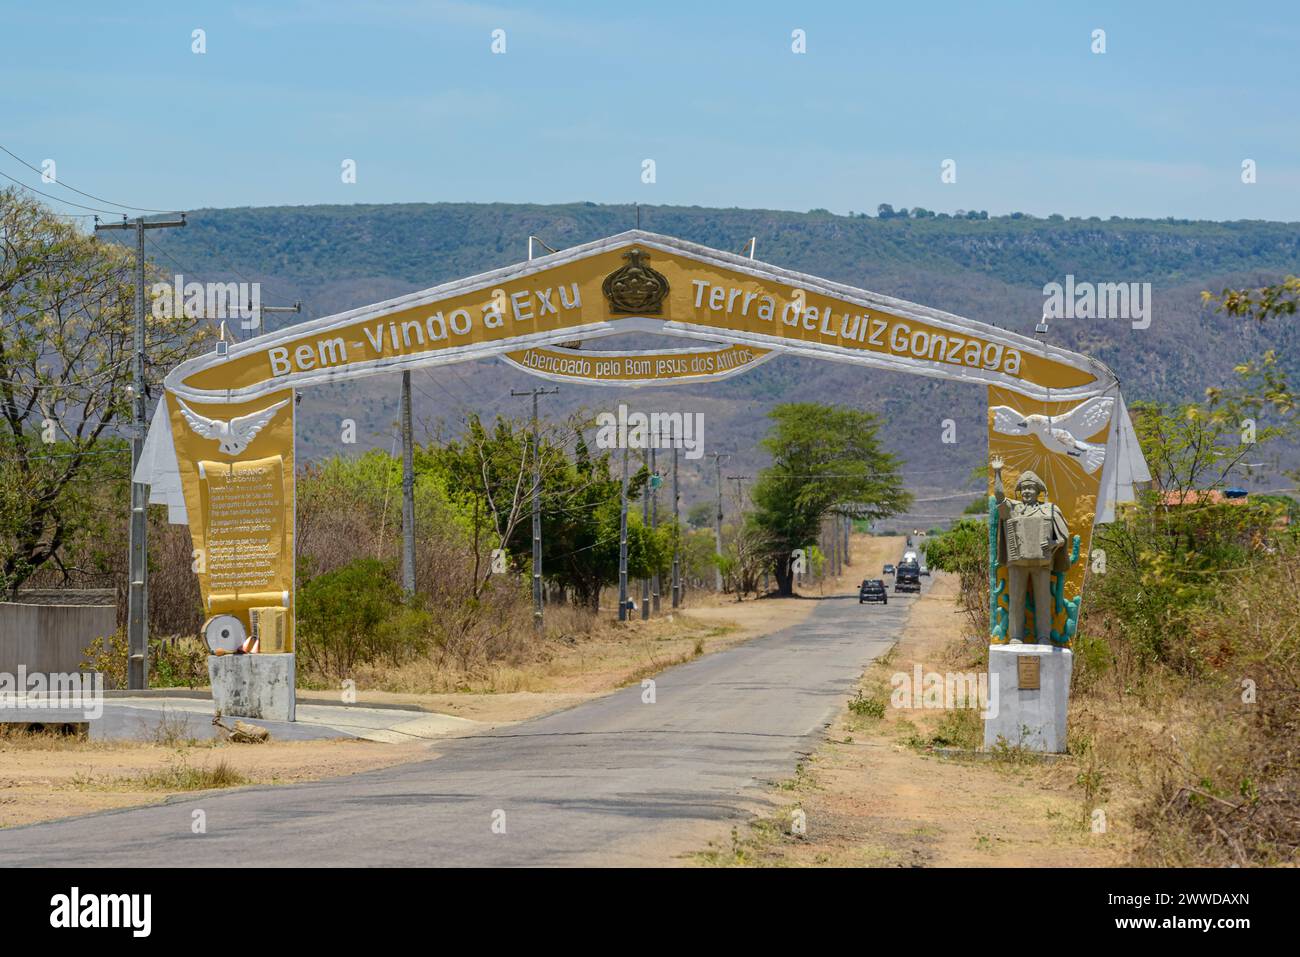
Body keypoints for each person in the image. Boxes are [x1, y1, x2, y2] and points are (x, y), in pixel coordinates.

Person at [991, 456, 1070, 644]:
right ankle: (1016, 636)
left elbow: (1063, 536)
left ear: (1037, 492)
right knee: (1016, 600)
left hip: (1042, 563)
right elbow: (999, 497)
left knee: (1043, 601)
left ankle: (1043, 636)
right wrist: (997, 472)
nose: (1027, 491)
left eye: (1030, 488)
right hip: (1017, 562)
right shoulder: (1014, 508)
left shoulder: (1050, 510)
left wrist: (1052, 544)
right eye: (1024, 488)